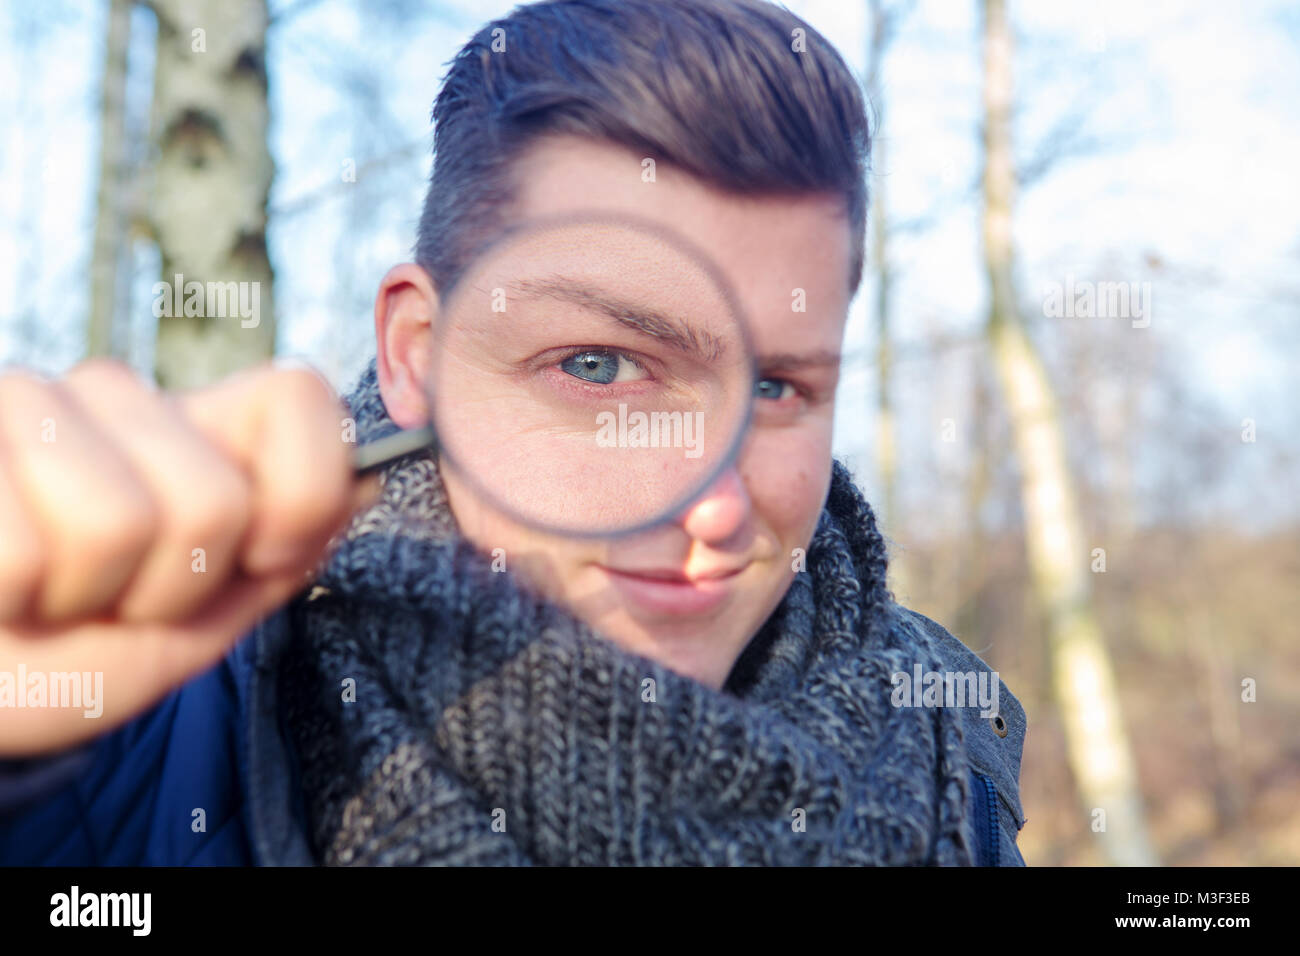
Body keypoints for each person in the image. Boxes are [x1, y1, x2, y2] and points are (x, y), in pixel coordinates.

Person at [0, 0, 1026, 865]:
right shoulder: (136, 737)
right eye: (598, 366)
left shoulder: (948, 744)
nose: (712, 504)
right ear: (414, 353)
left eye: (774, 386)